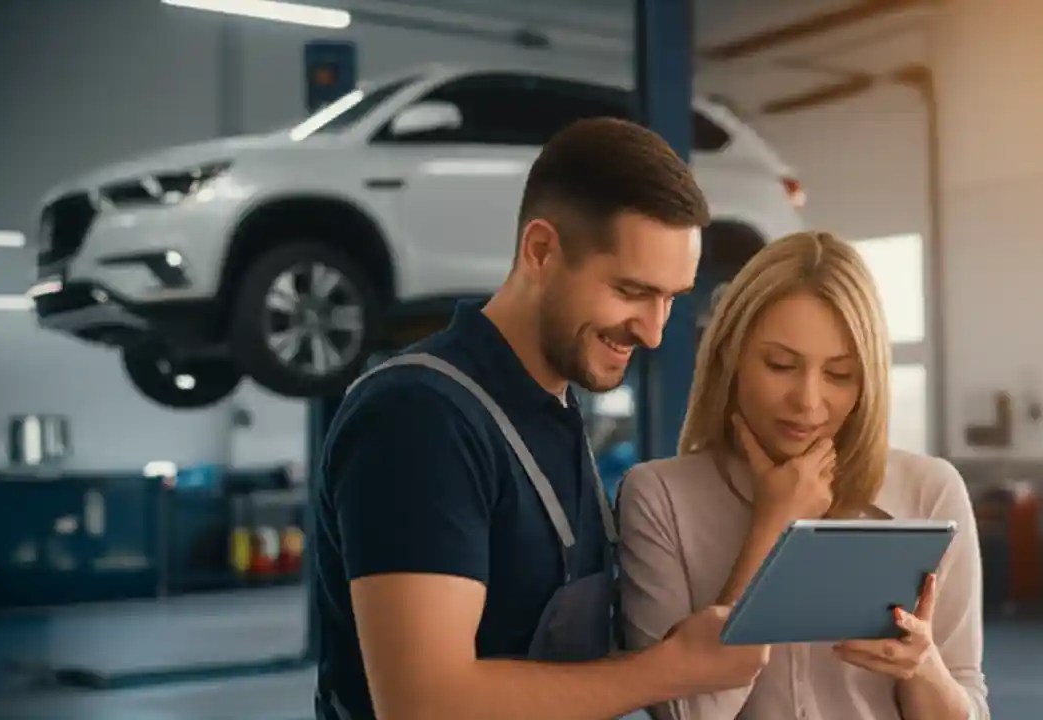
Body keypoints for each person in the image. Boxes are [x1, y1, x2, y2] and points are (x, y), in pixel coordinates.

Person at [313, 118, 768, 720]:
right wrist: (669, 670)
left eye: (671, 299)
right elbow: (424, 703)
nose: (654, 332)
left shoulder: (551, 411)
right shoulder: (420, 419)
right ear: (541, 252)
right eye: (632, 291)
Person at [618, 231, 989, 720]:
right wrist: (772, 528)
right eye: (780, 365)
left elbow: (968, 704)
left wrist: (923, 668)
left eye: (839, 374)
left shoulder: (930, 493)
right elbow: (685, 715)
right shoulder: (659, 497)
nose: (808, 402)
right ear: (730, 355)